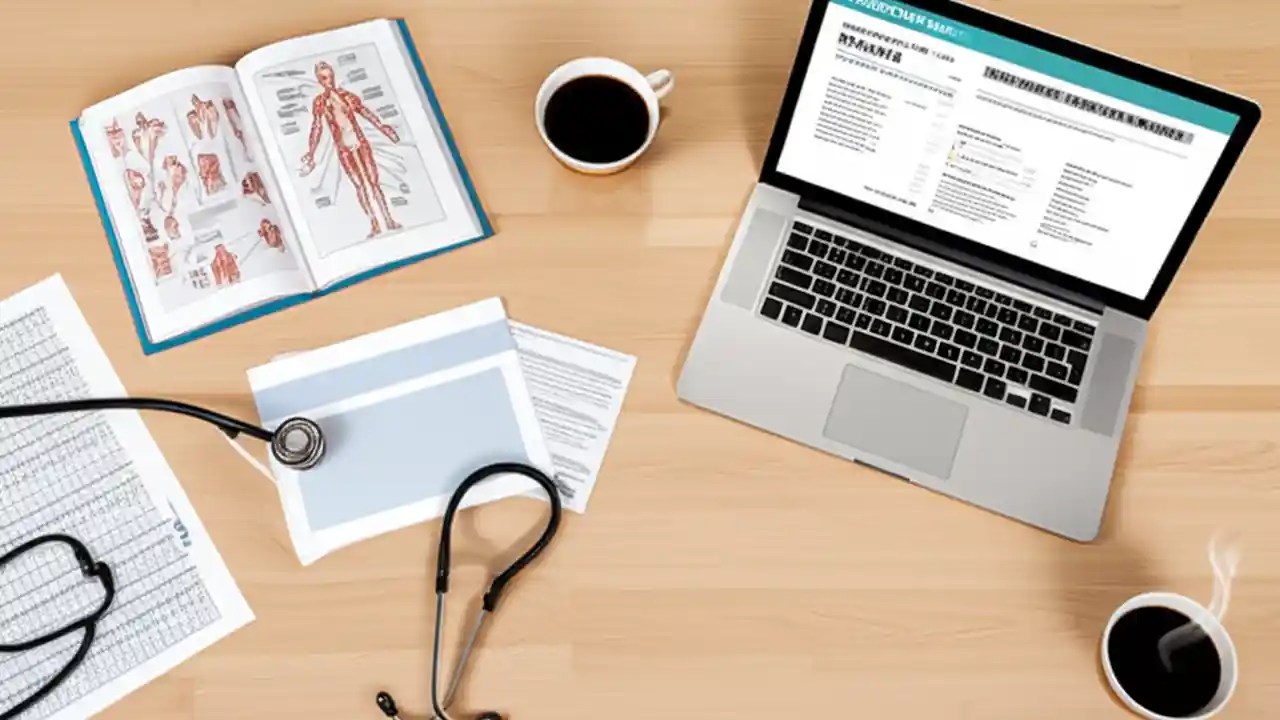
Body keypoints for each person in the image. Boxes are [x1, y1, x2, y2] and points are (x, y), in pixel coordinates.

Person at [301, 61, 403, 237]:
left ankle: (388, 219)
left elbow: (364, 112)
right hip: (344, 150)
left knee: (373, 182)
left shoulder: (347, 96)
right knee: (359, 185)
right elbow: (317, 127)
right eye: (324, 78)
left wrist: (383, 127)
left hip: (360, 144)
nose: (329, 81)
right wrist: (311, 151)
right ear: (319, 81)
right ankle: (374, 223)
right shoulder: (320, 102)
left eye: (331, 76)